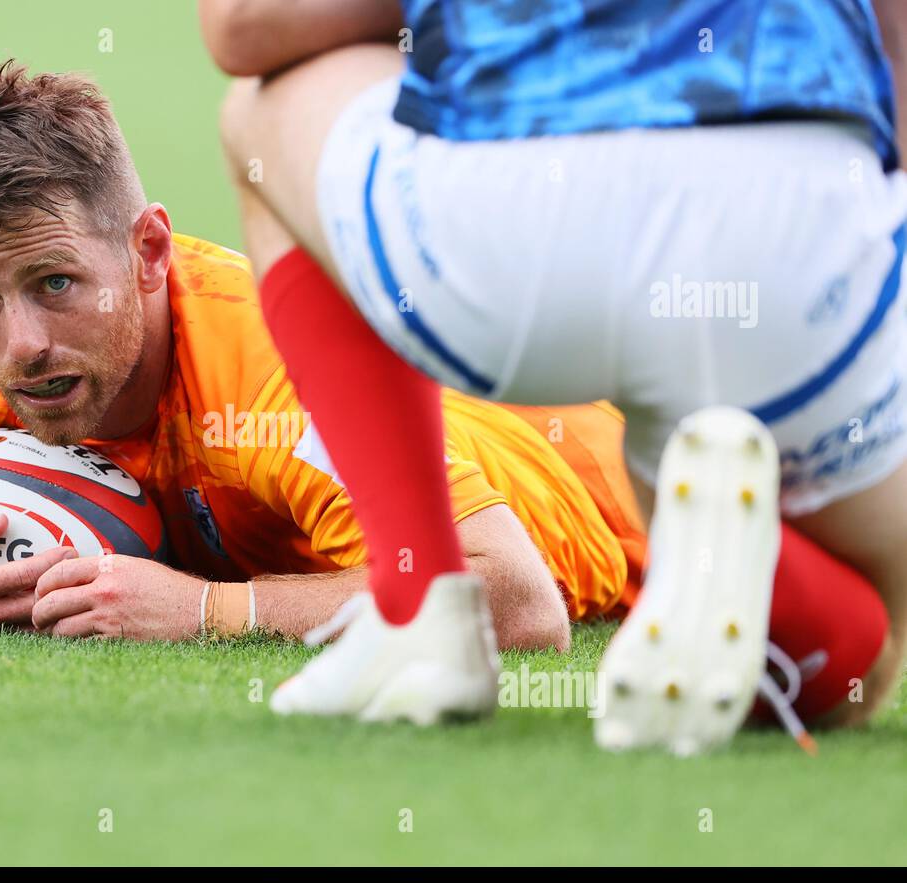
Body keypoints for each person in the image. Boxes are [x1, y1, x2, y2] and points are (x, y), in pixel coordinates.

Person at [0, 62, 648, 651]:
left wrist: (207, 614)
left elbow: (517, 606)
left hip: (647, 512)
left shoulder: (272, 373)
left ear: (149, 250)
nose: (20, 345)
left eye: (57, 283)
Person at [203, 0, 907, 751]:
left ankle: (419, 606)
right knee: (883, 628)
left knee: (261, 107)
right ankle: (738, 545)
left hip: (506, 236)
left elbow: (244, 25)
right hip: (793, 227)